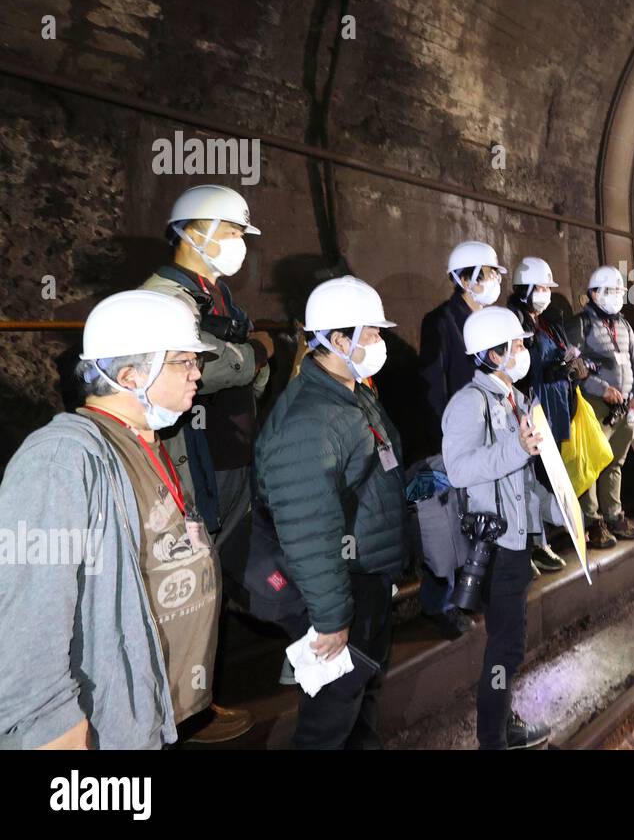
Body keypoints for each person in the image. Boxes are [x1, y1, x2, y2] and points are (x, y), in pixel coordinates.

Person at [0, 291, 217, 749]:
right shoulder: (60, 461)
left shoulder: (145, 440)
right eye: (183, 361)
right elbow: (27, 608)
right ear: (130, 376)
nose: (197, 373)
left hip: (149, 714)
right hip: (102, 728)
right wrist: (49, 725)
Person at [255, 277, 407, 749]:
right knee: (328, 724)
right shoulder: (307, 421)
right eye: (373, 334)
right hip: (345, 586)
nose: (381, 344)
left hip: (368, 576)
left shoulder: (350, 392)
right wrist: (331, 616)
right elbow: (308, 531)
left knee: (362, 701)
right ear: (339, 341)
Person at [142, 183, 268, 742]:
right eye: (234, 231)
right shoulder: (164, 299)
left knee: (211, 582)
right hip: (191, 465)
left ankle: (199, 695)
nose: (241, 243)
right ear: (193, 231)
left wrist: (251, 364)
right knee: (184, 585)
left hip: (228, 458)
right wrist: (254, 355)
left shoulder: (215, 295)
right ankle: (178, 711)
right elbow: (194, 368)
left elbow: (238, 368)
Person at [442, 307, 560, 750]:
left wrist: (555, 508)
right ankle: (494, 738)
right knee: (507, 646)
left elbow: (522, 482)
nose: (522, 351)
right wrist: (515, 446)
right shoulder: (468, 404)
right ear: (489, 353)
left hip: (515, 538)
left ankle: (501, 721)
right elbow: (460, 469)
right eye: (513, 346)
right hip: (494, 544)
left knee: (508, 641)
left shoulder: (511, 397)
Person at [417, 240, 504, 637]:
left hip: (490, 434)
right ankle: (439, 604)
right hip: (457, 436)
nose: (492, 281)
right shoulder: (441, 322)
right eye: (486, 274)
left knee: (480, 519)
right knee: (448, 522)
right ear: (464, 279)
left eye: (494, 274)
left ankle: (474, 594)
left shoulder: (493, 320)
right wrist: (449, 438)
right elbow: (433, 384)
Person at [505, 256, 578, 574]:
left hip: (556, 407)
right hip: (535, 409)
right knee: (533, 478)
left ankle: (547, 536)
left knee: (551, 476)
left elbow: (554, 354)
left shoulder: (548, 320)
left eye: (549, 287)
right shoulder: (513, 321)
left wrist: (569, 361)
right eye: (541, 287)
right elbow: (526, 365)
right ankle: (535, 543)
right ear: (525, 289)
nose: (546, 293)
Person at [568, 266, 634, 549]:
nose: (615, 297)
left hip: (625, 407)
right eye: (609, 291)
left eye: (618, 292)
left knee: (615, 463)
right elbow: (571, 365)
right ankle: (592, 521)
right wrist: (601, 389)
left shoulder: (624, 325)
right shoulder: (580, 325)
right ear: (593, 294)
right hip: (595, 407)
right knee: (591, 463)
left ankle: (613, 515)